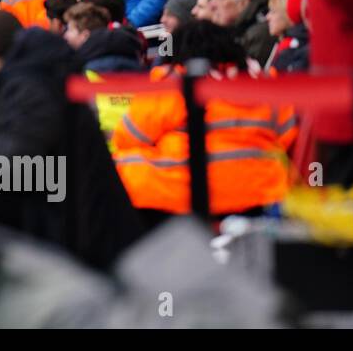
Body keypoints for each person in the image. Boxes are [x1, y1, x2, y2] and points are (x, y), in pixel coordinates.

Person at [0, 8, 144, 327]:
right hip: (59, 189)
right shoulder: (35, 69)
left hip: (66, 204)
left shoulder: (28, 80)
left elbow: (20, 155)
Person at [113, 19, 295, 222]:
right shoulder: (265, 80)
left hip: (179, 198)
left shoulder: (170, 82)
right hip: (259, 194)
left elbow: (127, 137)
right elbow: (288, 136)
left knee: (125, 159)